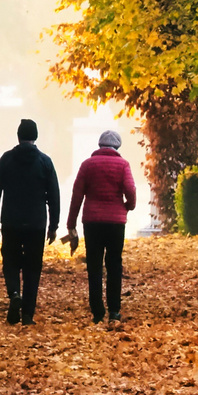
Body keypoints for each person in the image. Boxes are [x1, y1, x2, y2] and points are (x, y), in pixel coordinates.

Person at [0, 118, 60, 326]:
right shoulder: (45, 162)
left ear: (18, 136)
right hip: (36, 223)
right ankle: (28, 314)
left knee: (10, 262)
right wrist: (53, 226)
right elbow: (54, 196)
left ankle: (14, 294)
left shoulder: (6, 160)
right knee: (32, 267)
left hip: (11, 221)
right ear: (35, 137)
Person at [66, 129, 137, 324]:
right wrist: (128, 207)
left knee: (95, 266)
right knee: (114, 265)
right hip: (115, 223)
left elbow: (77, 195)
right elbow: (130, 189)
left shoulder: (87, 165)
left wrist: (71, 224)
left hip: (92, 222)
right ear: (117, 147)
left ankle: (97, 311)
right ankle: (114, 310)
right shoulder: (123, 165)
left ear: (99, 146)